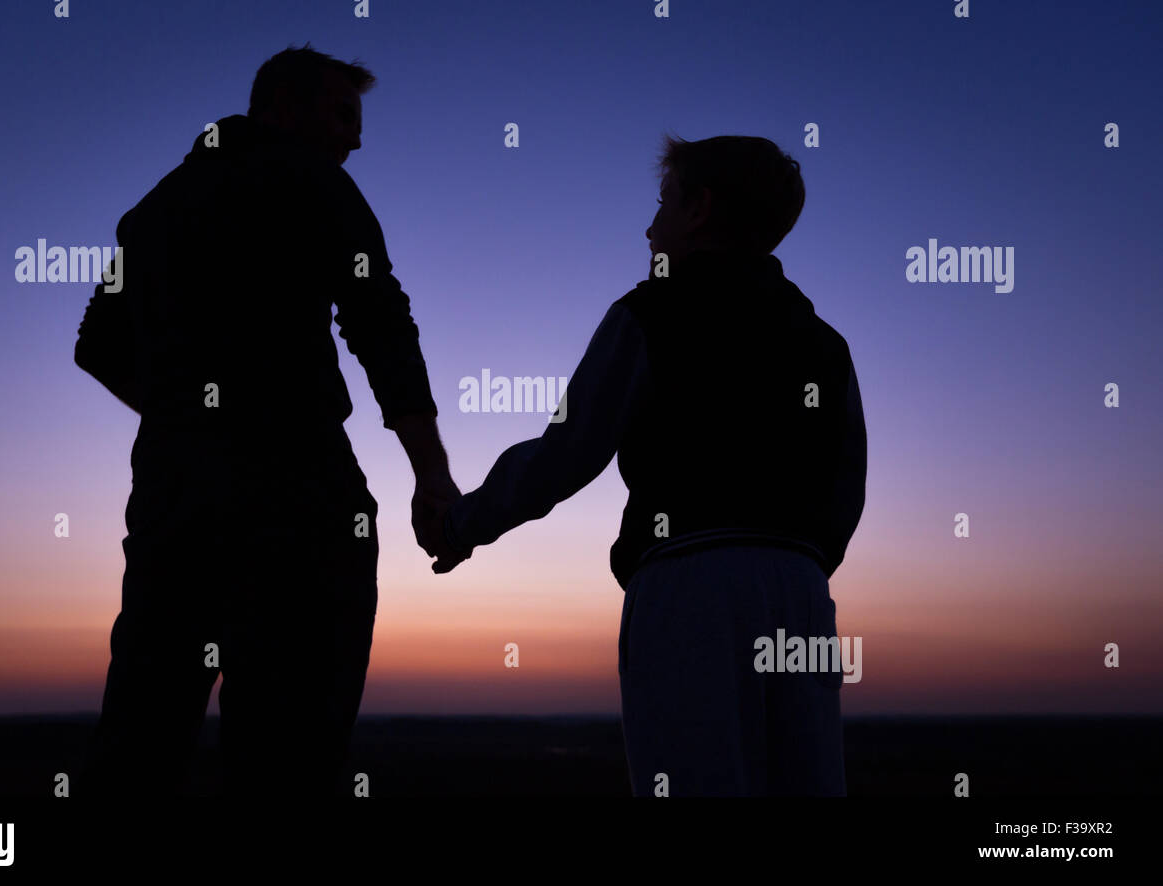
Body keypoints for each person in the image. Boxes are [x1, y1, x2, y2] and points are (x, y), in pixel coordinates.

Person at [74, 44, 460, 797]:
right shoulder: (312, 180)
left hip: (171, 497)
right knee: (290, 748)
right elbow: (381, 322)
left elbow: (95, 346)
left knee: (141, 735)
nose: (356, 138)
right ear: (283, 107)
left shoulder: (152, 210)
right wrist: (432, 475)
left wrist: (188, 421)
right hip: (298, 497)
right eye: (343, 114)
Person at [430, 135, 867, 796]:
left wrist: (464, 522)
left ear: (698, 209)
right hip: (802, 591)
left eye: (662, 203)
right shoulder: (826, 345)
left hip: (690, 585)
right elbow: (847, 487)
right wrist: (794, 563)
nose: (647, 225)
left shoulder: (651, 313)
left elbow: (566, 452)